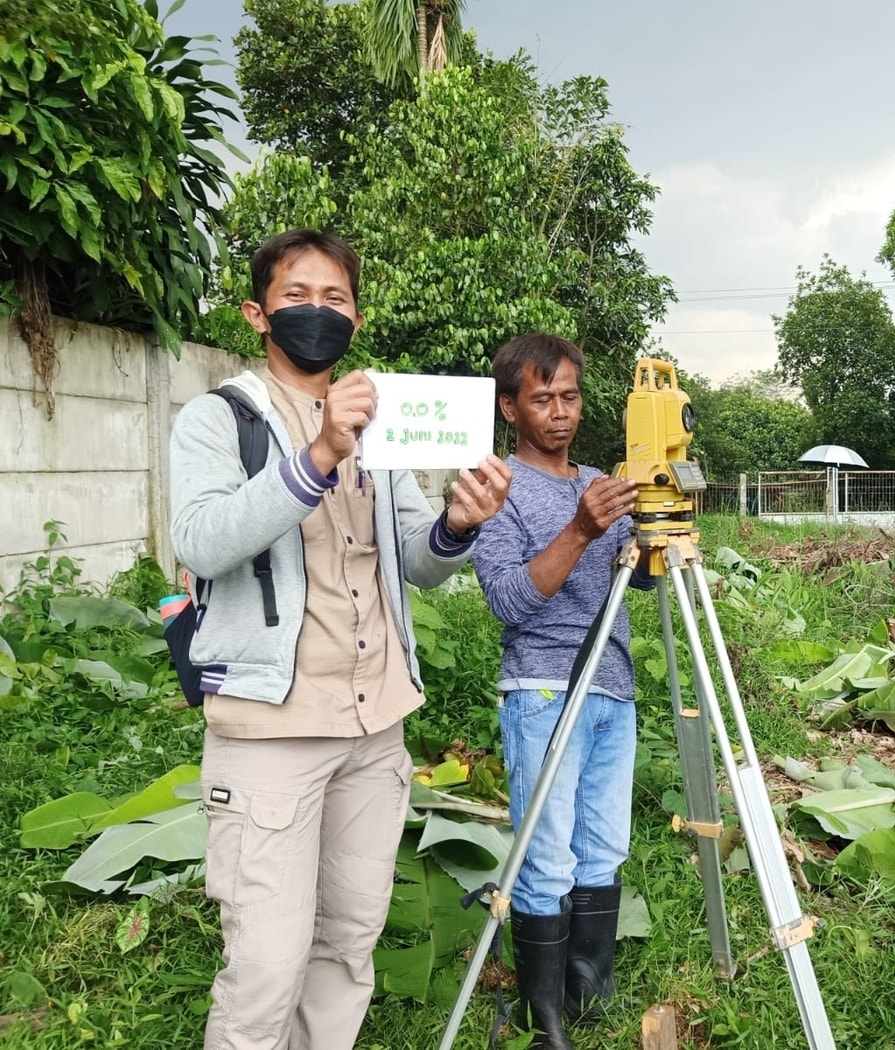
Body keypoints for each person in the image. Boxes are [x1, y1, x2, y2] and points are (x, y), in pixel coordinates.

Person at [168, 229, 512, 1050]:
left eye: (335, 300)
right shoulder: (219, 419)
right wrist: (318, 454)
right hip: (271, 732)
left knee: (349, 942)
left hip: (375, 724)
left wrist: (458, 525)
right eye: (296, 297)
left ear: (356, 318)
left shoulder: (380, 428)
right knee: (265, 964)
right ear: (258, 313)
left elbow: (417, 562)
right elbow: (205, 541)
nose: (317, 313)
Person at [471, 333, 651, 1050]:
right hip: (543, 691)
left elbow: (635, 577)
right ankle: (544, 1021)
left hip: (612, 689)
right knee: (546, 857)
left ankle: (587, 993)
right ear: (511, 407)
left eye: (570, 397)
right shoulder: (498, 490)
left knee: (603, 848)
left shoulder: (599, 480)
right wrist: (581, 530)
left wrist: (661, 532)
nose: (559, 412)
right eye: (542, 399)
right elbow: (510, 601)